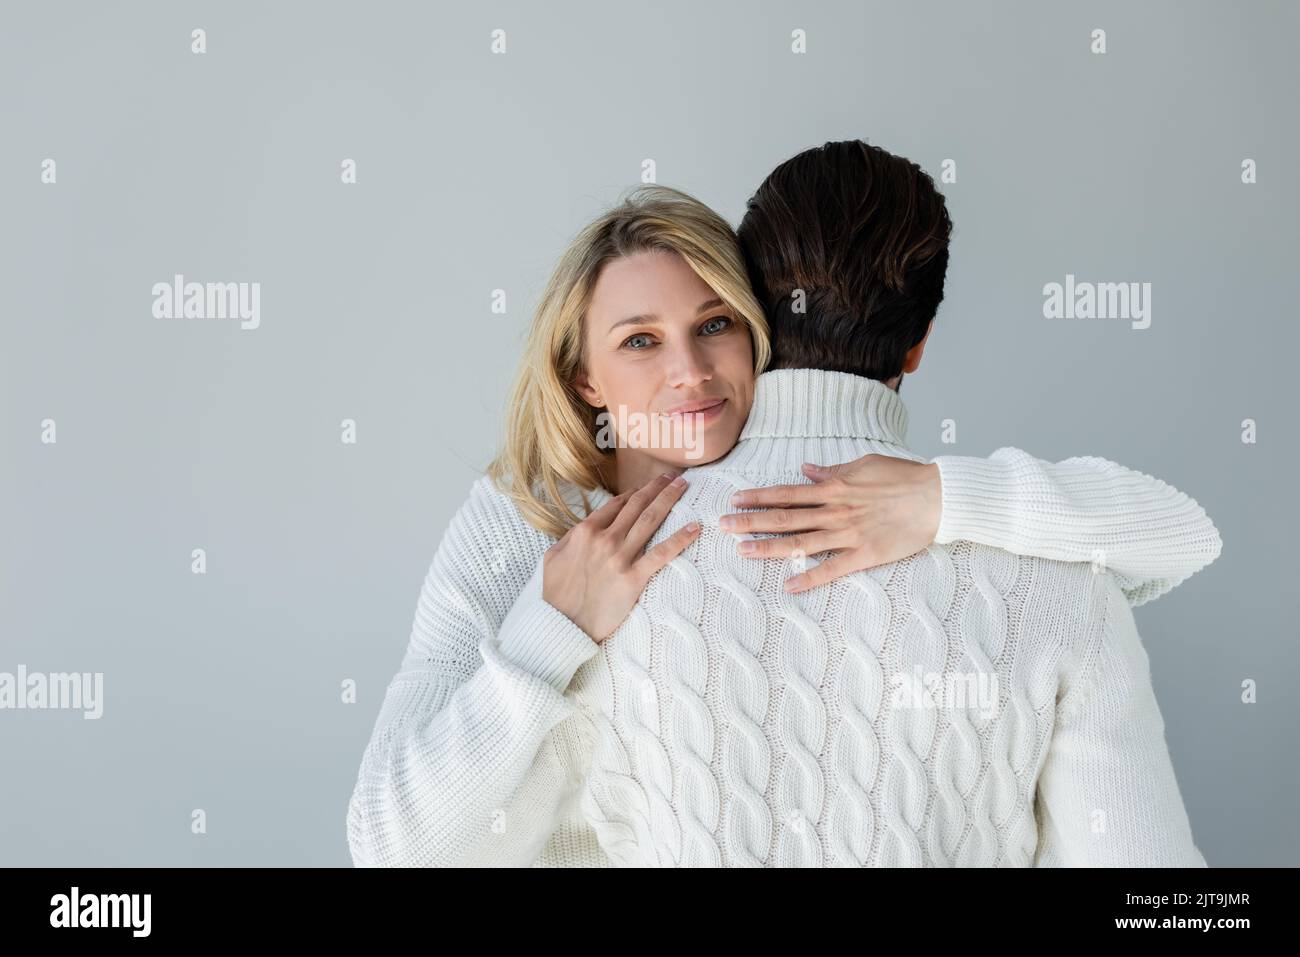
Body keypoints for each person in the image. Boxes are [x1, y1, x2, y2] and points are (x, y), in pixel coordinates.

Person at [345, 173, 1220, 867]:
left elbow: (1184, 533)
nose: (690, 371)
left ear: (765, 332)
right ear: (584, 379)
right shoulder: (525, 527)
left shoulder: (827, 506)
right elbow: (395, 846)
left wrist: (944, 499)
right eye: (640, 340)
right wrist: (552, 629)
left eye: (715, 324)